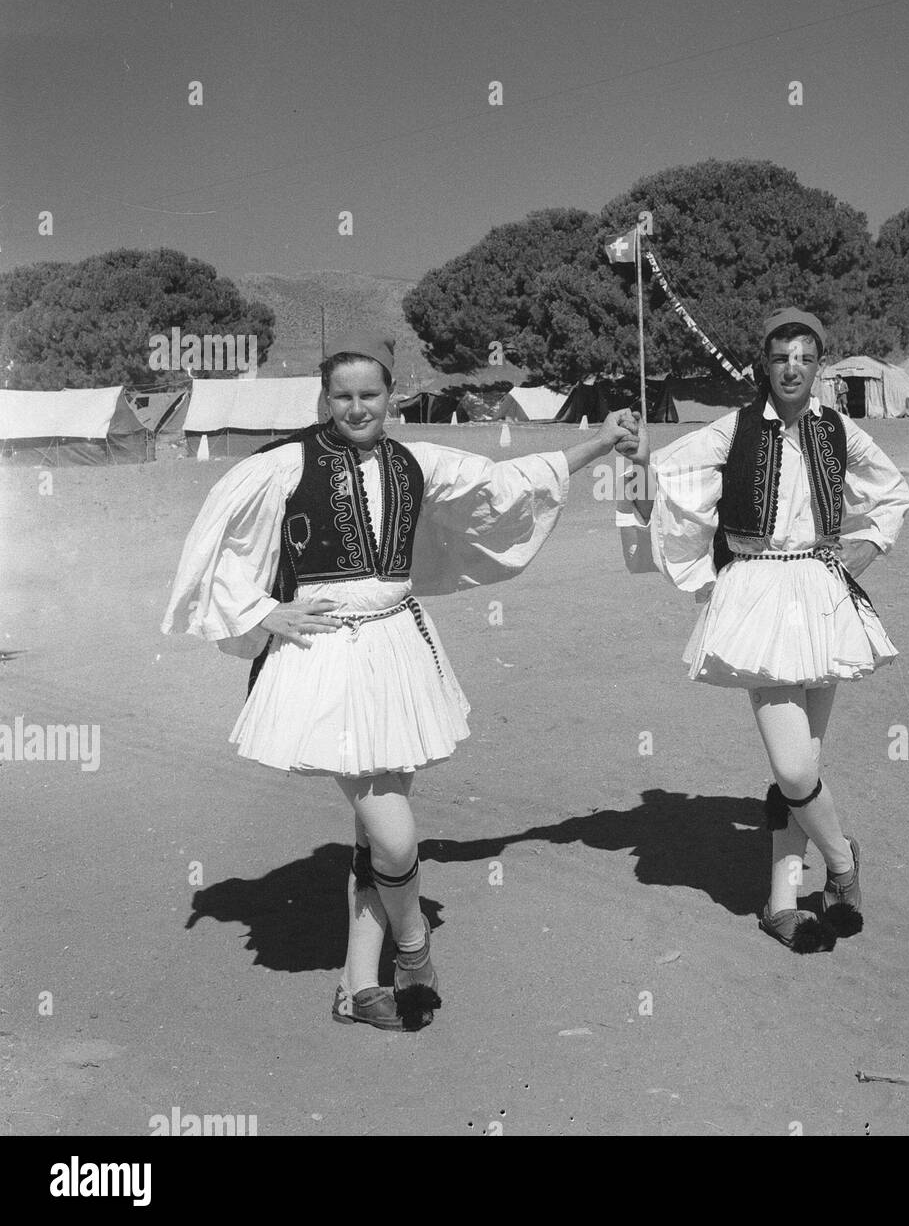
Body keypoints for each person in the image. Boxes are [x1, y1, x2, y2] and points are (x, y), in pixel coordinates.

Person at [162, 330, 637, 1029]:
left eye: (370, 395)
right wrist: (267, 609)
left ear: (390, 397)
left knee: (371, 833)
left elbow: (506, 485)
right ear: (325, 399)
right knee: (394, 835)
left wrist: (597, 441)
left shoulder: (417, 460)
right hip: (325, 657)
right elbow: (219, 543)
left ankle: (357, 988)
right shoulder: (285, 465)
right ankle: (413, 950)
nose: (357, 408)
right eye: (343, 396)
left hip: (399, 646)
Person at [616, 309, 909, 953]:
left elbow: (892, 489)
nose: (792, 368)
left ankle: (782, 903)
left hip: (824, 592)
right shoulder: (735, 428)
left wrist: (869, 544)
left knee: (802, 766)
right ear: (766, 364)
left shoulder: (839, 429)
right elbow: (663, 485)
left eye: (805, 357)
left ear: (819, 366)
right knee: (794, 764)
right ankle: (840, 863)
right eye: (781, 357)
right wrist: (635, 460)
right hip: (757, 594)